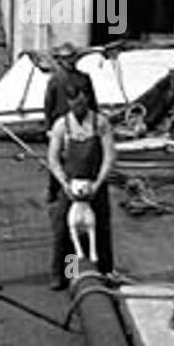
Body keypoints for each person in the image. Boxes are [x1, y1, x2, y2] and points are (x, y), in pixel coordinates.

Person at [46, 83, 116, 290]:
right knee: (64, 231)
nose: (80, 108)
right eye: (75, 104)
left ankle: (105, 272)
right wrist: (64, 183)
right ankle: (68, 274)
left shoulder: (100, 123)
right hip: (71, 185)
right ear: (69, 103)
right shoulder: (62, 125)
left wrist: (98, 183)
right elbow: (53, 158)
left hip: (94, 184)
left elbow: (109, 156)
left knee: (101, 228)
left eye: (83, 103)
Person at [42, 42, 98, 203]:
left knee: (83, 157)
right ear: (61, 60)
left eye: (71, 58)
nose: (69, 61)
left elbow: (92, 102)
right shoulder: (55, 80)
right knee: (57, 159)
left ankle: (83, 189)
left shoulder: (84, 79)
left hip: (81, 122)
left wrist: (95, 122)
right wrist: (48, 127)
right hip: (60, 124)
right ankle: (54, 190)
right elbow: (48, 104)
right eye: (66, 59)